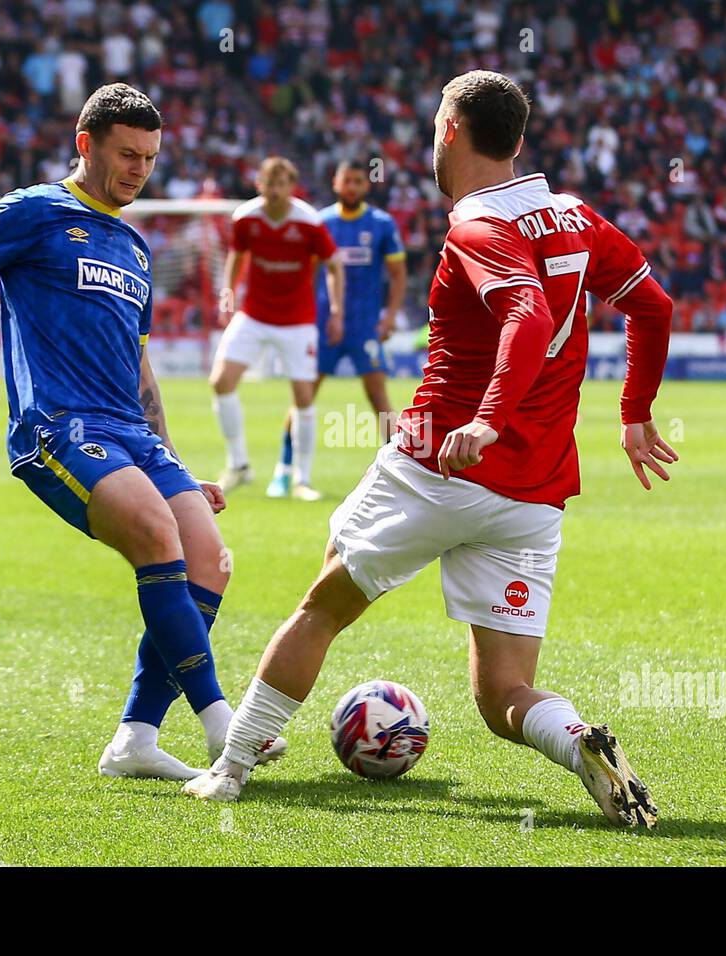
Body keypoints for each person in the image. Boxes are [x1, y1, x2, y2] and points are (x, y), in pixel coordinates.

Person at [184, 71, 676, 828]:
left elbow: (527, 314)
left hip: (442, 466)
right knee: (504, 694)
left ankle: (233, 764)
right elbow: (652, 303)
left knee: (322, 608)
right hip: (533, 496)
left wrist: (484, 419)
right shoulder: (575, 216)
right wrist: (634, 412)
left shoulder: (477, 226)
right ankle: (579, 741)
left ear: (451, 129)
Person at [0, 83, 283, 782]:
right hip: (59, 427)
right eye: (127, 154)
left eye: (150, 158)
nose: (140, 170)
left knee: (209, 559)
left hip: (134, 434)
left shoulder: (135, 247)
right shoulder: (35, 211)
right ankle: (225, 727)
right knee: (157, 538)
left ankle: (135, 738)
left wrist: (173, 460)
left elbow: (140, 367)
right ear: (87, 143)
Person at [266, 160, 408, 498]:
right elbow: (305, 272)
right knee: (304, 396)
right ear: (335, 183)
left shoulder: (381, 224)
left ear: (366, 185)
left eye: (359, 181)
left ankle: (403, 470)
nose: (352, 187)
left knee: (379, 396)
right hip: (320, 324)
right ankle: (284, 471)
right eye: (347, 181)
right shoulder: (321, 223)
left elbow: (398, 275)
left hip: (365, 325)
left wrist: (389, 317)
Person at [209, 157, 345, 499]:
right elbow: (236, 258)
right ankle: (239, 465)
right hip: (254, 314)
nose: (274, 190)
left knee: (302, 398)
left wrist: (337, 310)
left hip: (297, 321)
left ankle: (302, 479)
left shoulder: (309, 222)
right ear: (259, 185)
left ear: (291, 187)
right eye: (268, 183)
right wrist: (228, 296)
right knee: (221, 381)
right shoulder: (246, 218)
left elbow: (334, 265)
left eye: (281, 183)